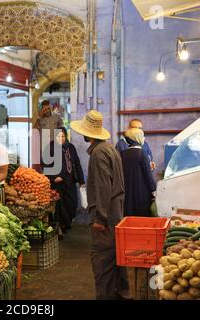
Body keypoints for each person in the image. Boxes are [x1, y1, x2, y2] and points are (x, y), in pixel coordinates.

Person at [70, 110, 130, 300]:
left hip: (105, 219)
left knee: (103, 263)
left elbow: (104, 187)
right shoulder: (109, 149)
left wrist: (100, 218)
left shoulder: (99, 153)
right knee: (114, 259)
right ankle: (120, 293)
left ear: (89, 133)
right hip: (115, 215)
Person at [42, 127, 85, 237]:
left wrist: (81, 180)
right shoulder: (50, 148)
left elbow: (77, 164)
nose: (61, 139)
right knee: (59, 206)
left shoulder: (70, 147)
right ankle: (59, 227)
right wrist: (53, 177)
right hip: (57, 183)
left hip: (69, 181)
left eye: (63, 136)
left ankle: (66, 223)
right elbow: (45, 164)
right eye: (58, 136)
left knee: (72, 204)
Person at [121, 128, 157, 217]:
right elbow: (148, 176)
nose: (144, 138)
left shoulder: (123, 153)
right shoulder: (142, 154)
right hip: (141, 194)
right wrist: (155, 191)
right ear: (138, 138)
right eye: (142, 136)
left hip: (127, 194)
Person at [33, 100, 64, 172]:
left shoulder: (57, 117)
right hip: (44, 146)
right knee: (45, 167)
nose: (46, 111)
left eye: (48, 108)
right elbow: (34, 130)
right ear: (42, 109)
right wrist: (39, 118)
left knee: (57, 166)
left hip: (56, 145)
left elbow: (62, 130)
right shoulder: (39, 119)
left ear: (50, 107)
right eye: (44, 109)